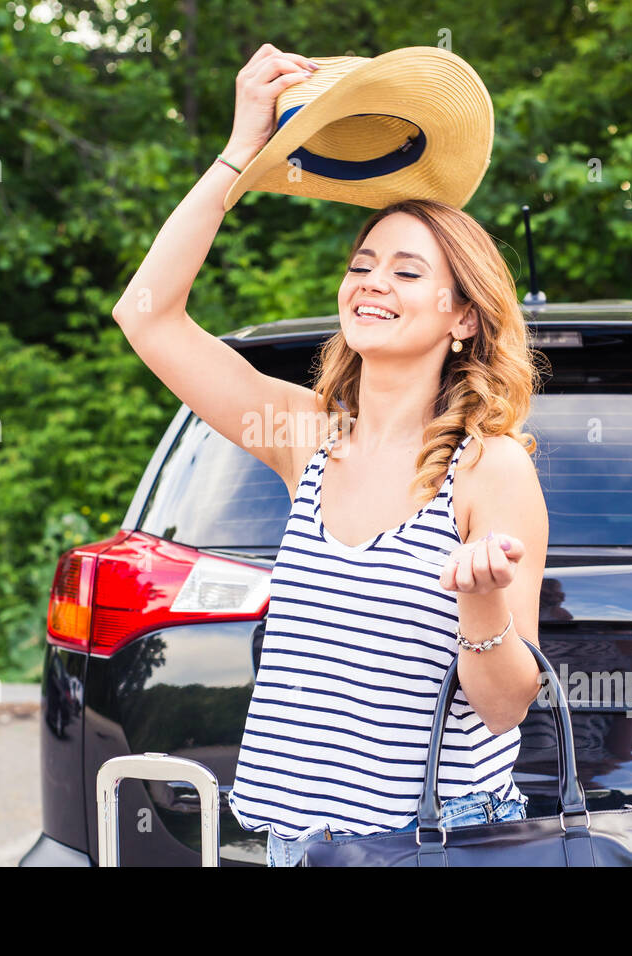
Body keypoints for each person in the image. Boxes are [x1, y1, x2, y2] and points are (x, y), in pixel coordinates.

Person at [112, 44, 550, 867]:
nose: (372, 281)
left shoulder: (488, 469)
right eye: (362, 264)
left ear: (463, 318)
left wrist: (483, 604)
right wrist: (241, 152)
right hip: (300, 846)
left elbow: (503, 708)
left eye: (407, 270)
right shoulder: (305, 436)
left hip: (439, 841)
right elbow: (146, 316)